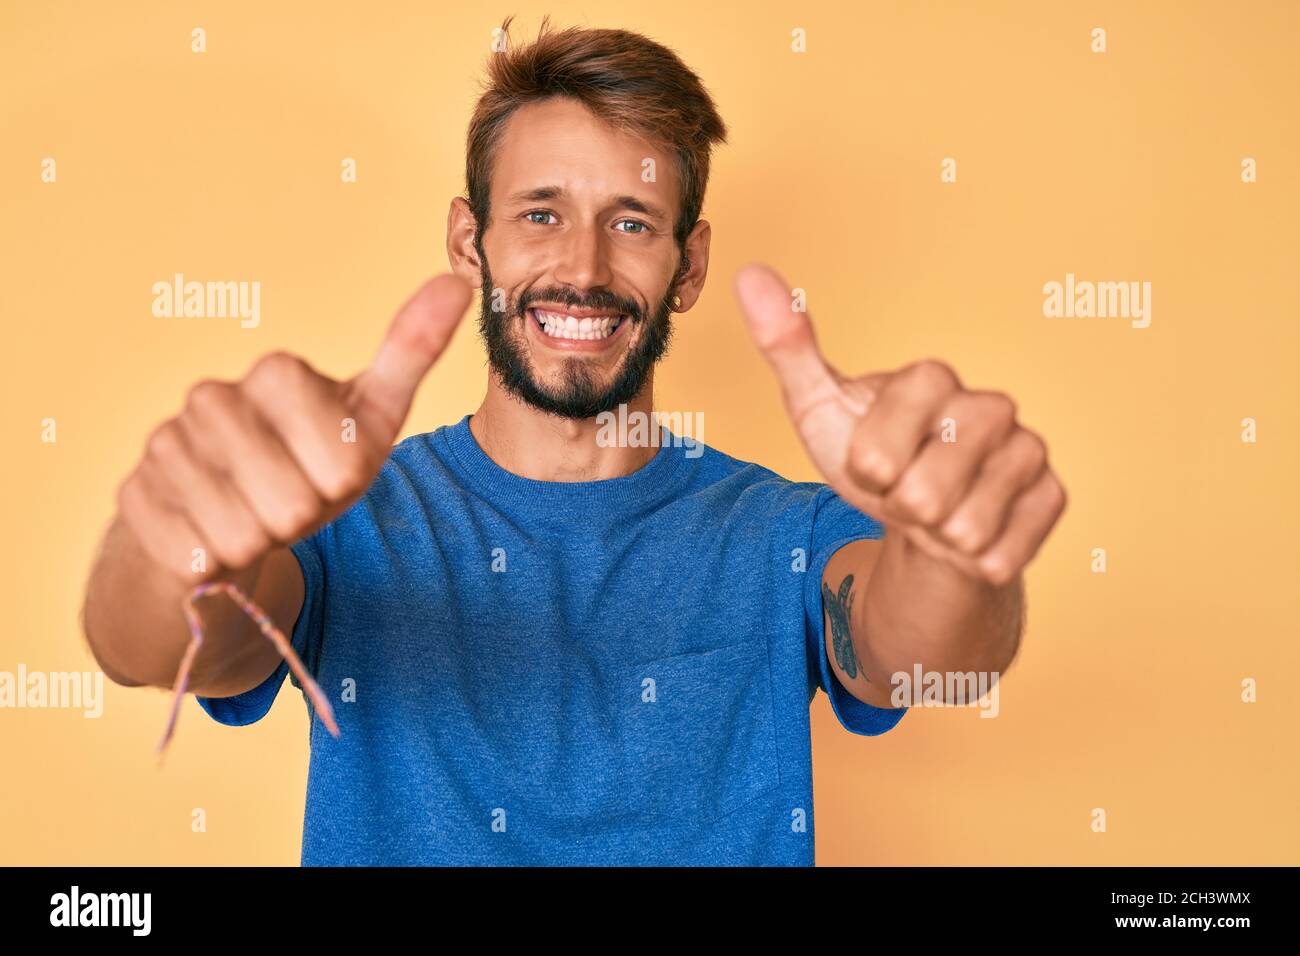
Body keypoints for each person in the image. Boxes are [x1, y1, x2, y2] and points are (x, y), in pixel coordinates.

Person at [82, 19, 1065, 865]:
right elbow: (147, 648)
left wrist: (951, 550)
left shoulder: (777, 530)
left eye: (631, 222)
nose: (581, 268)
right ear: (472, 243)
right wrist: (180, 541)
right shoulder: (351, 518)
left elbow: (920, 656)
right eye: (541, 213)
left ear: (687, 264)